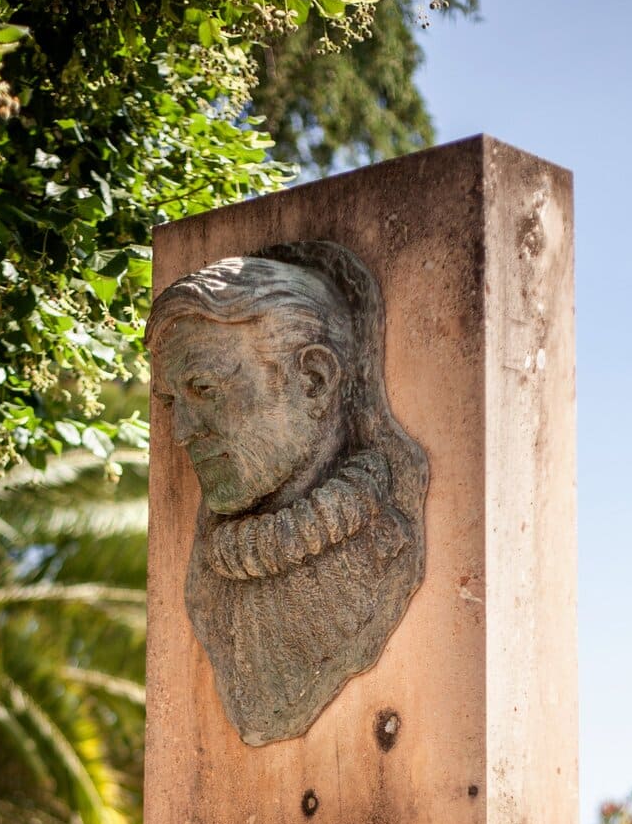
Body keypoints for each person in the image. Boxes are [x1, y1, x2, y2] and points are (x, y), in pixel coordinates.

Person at [146, 243, 428, 746]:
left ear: (314, 381)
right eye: (171, 402)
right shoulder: (211, 586)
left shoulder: (387, 548)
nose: (181, 431)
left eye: (203, 388)